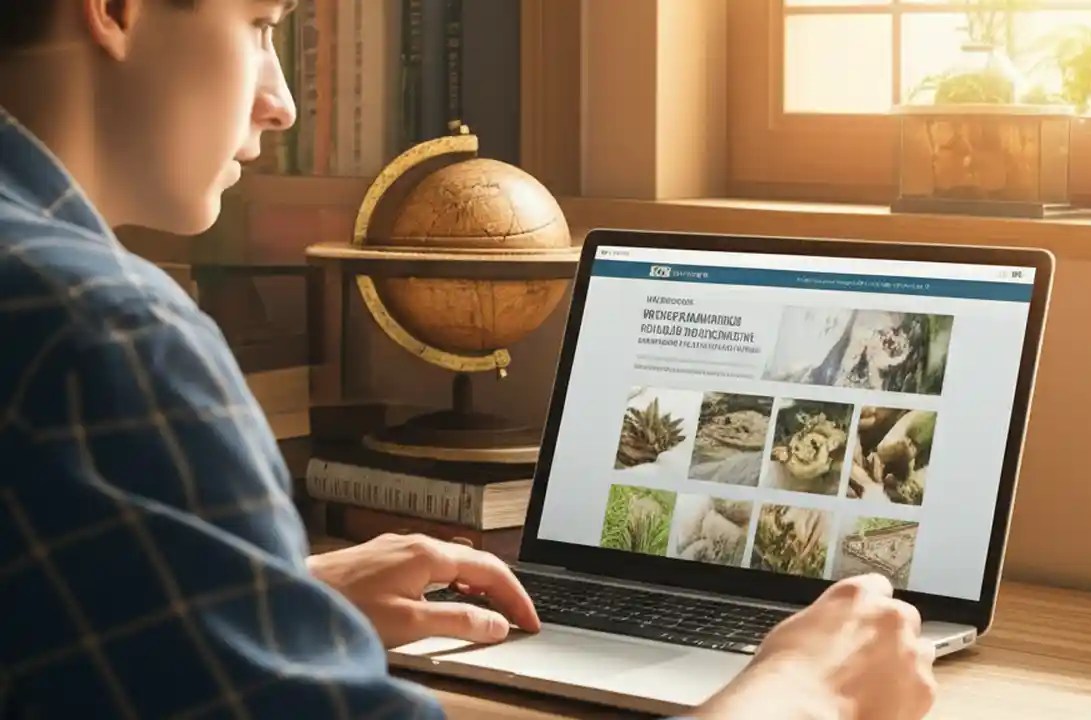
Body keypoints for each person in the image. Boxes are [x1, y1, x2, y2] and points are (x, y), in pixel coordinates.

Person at [0, 1, 938, 718]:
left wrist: (257, 606)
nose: (280, 102)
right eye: (258, 23)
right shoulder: (104, 335)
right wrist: (809, 687)